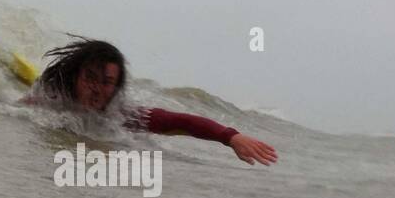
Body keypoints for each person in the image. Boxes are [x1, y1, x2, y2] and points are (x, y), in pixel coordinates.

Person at [26, 38, 278, 165]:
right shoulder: (50, 99)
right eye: (89, 78)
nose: (96, 89)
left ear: (115, 88)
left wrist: (231, 137)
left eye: (106, 82)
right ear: (75, 76)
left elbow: (181, 121)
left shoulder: (122, 117)